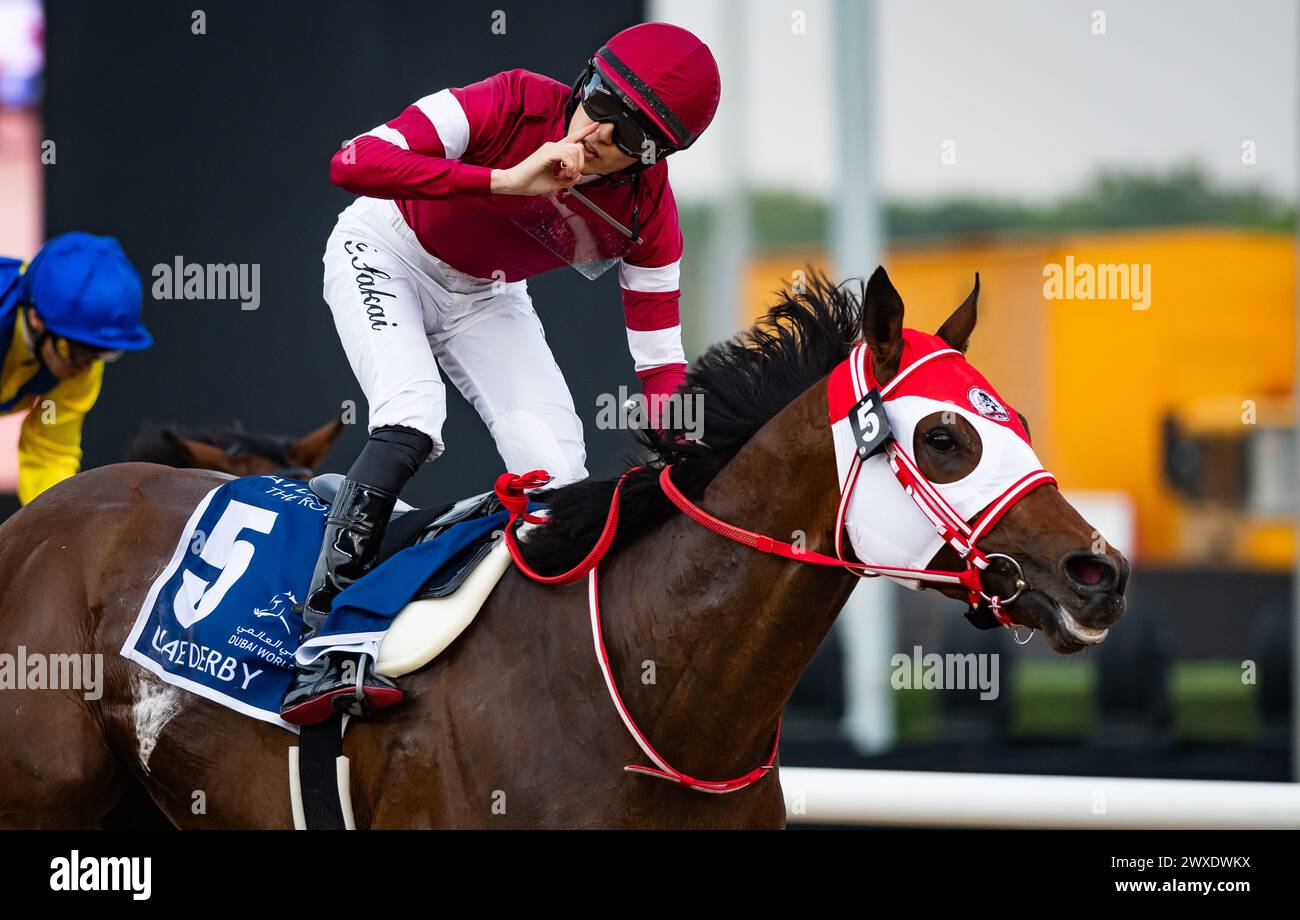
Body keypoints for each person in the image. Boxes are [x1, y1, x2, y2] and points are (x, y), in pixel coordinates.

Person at [280, 22, 721, 725]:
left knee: (557, 474)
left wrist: (699, 458)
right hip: (384, 247)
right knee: (414, 414)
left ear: (657, 158)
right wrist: (501, 180)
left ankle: (546, 652)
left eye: (636, 139)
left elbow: (661, 365)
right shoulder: (513, 100)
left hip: (484, 296)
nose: (603, 134)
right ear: (585, 79)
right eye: (603, 103)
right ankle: (321, 642)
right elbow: (354, 160)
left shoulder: (650, 211)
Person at [0, 232, 152, 505]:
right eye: (79, 351)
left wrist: (58, 525)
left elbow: (48, 454)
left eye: (100, 353)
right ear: (36, 319)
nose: (84, 369)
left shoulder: (74, 359)